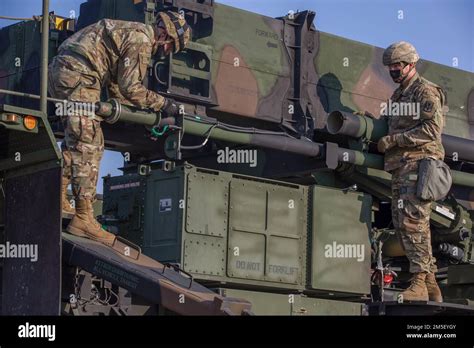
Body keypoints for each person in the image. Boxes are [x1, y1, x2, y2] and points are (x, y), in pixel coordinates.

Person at [48, 11, 191, 245]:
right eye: (171, 46)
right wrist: (165, 105)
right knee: (89, 144)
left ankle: (58, 197)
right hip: (80, 76)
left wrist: (133, 114)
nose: (167, 52)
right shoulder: (142, 40)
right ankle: (84, 218)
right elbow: (130, 87)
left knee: (75, 142)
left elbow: (116, 84)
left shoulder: (130, 32)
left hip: (64, 73)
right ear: (164, 33)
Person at [377, 41, 444, 302]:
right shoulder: (400, 94)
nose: (393, 70)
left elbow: (432, 130)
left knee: (412, 222)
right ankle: (429, 284)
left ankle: (418, 283)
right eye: (390, 66)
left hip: (418, 164)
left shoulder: (424, 91)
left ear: (411, 64)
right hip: (402, 166)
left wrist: (395, 141)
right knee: (406, 224)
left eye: (397, 65)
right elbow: (391, 123)